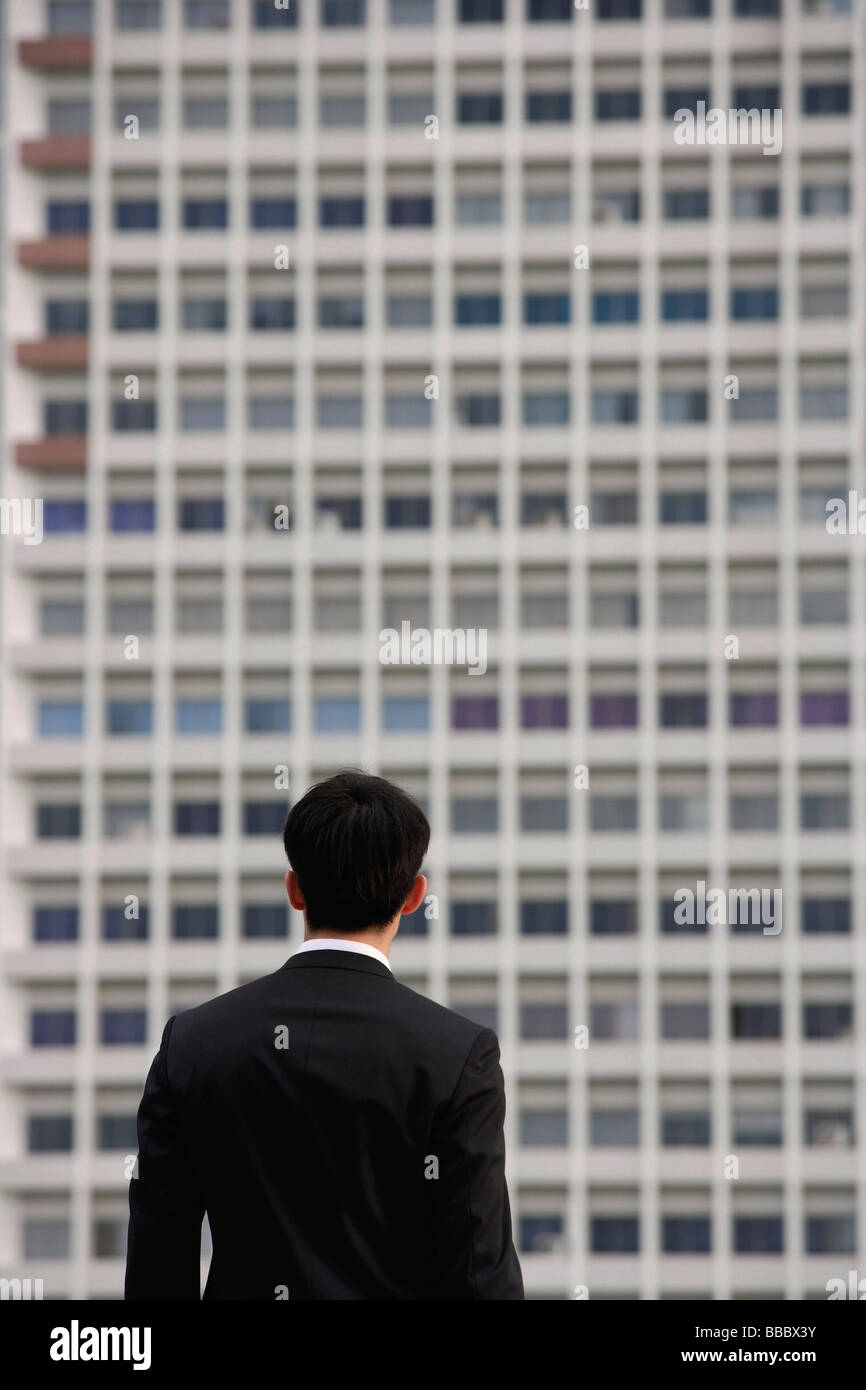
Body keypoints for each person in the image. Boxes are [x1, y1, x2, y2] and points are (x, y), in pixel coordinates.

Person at [125, 769, 524, 1300]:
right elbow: (480, 1277)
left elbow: (157, 1265)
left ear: (295, 888)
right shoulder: (457, 1055)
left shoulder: (193, 1044)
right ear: (412, 895)